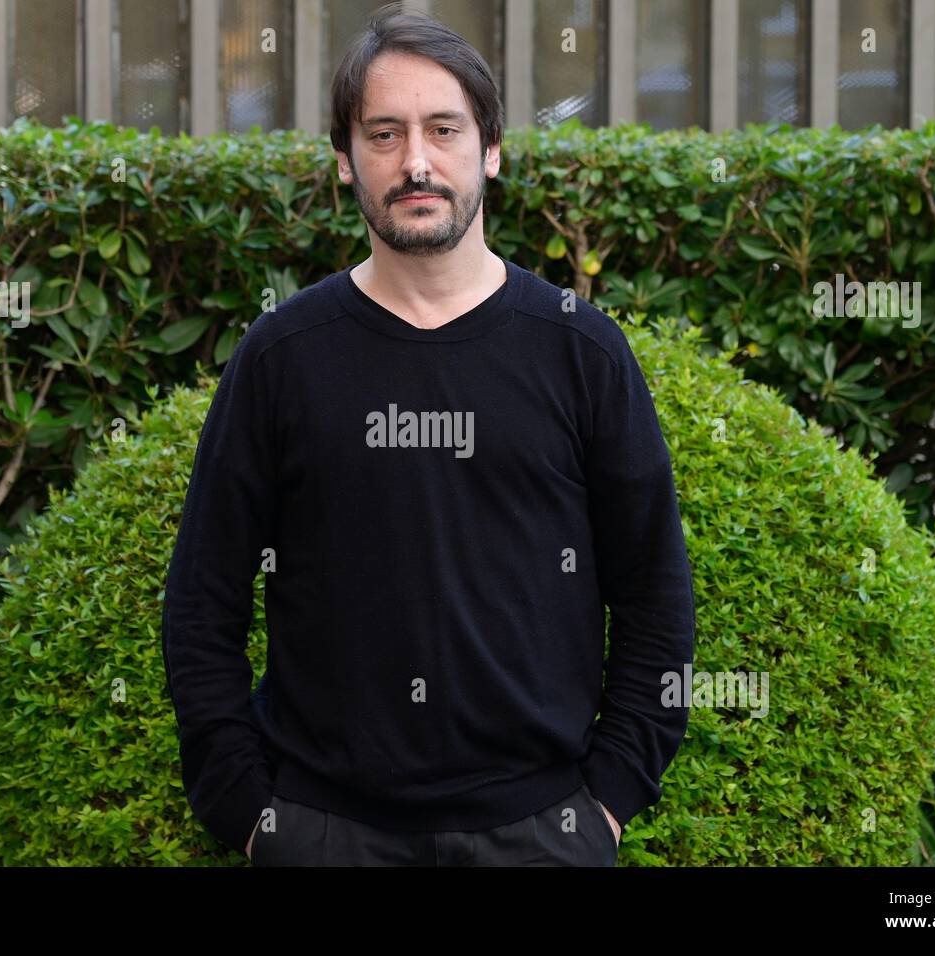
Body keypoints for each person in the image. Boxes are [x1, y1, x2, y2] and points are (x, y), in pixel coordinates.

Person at [161, 1, 696, 867]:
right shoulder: (282, 358)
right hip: (323, 833)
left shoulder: (580, 351)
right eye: (383, 134)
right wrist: (251, 817)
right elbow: (201, 601)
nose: (415, 161)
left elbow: (655, 595)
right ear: (345, 161)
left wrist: (610, 802)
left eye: (442, 129)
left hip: (545, 833)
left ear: (490, 149)